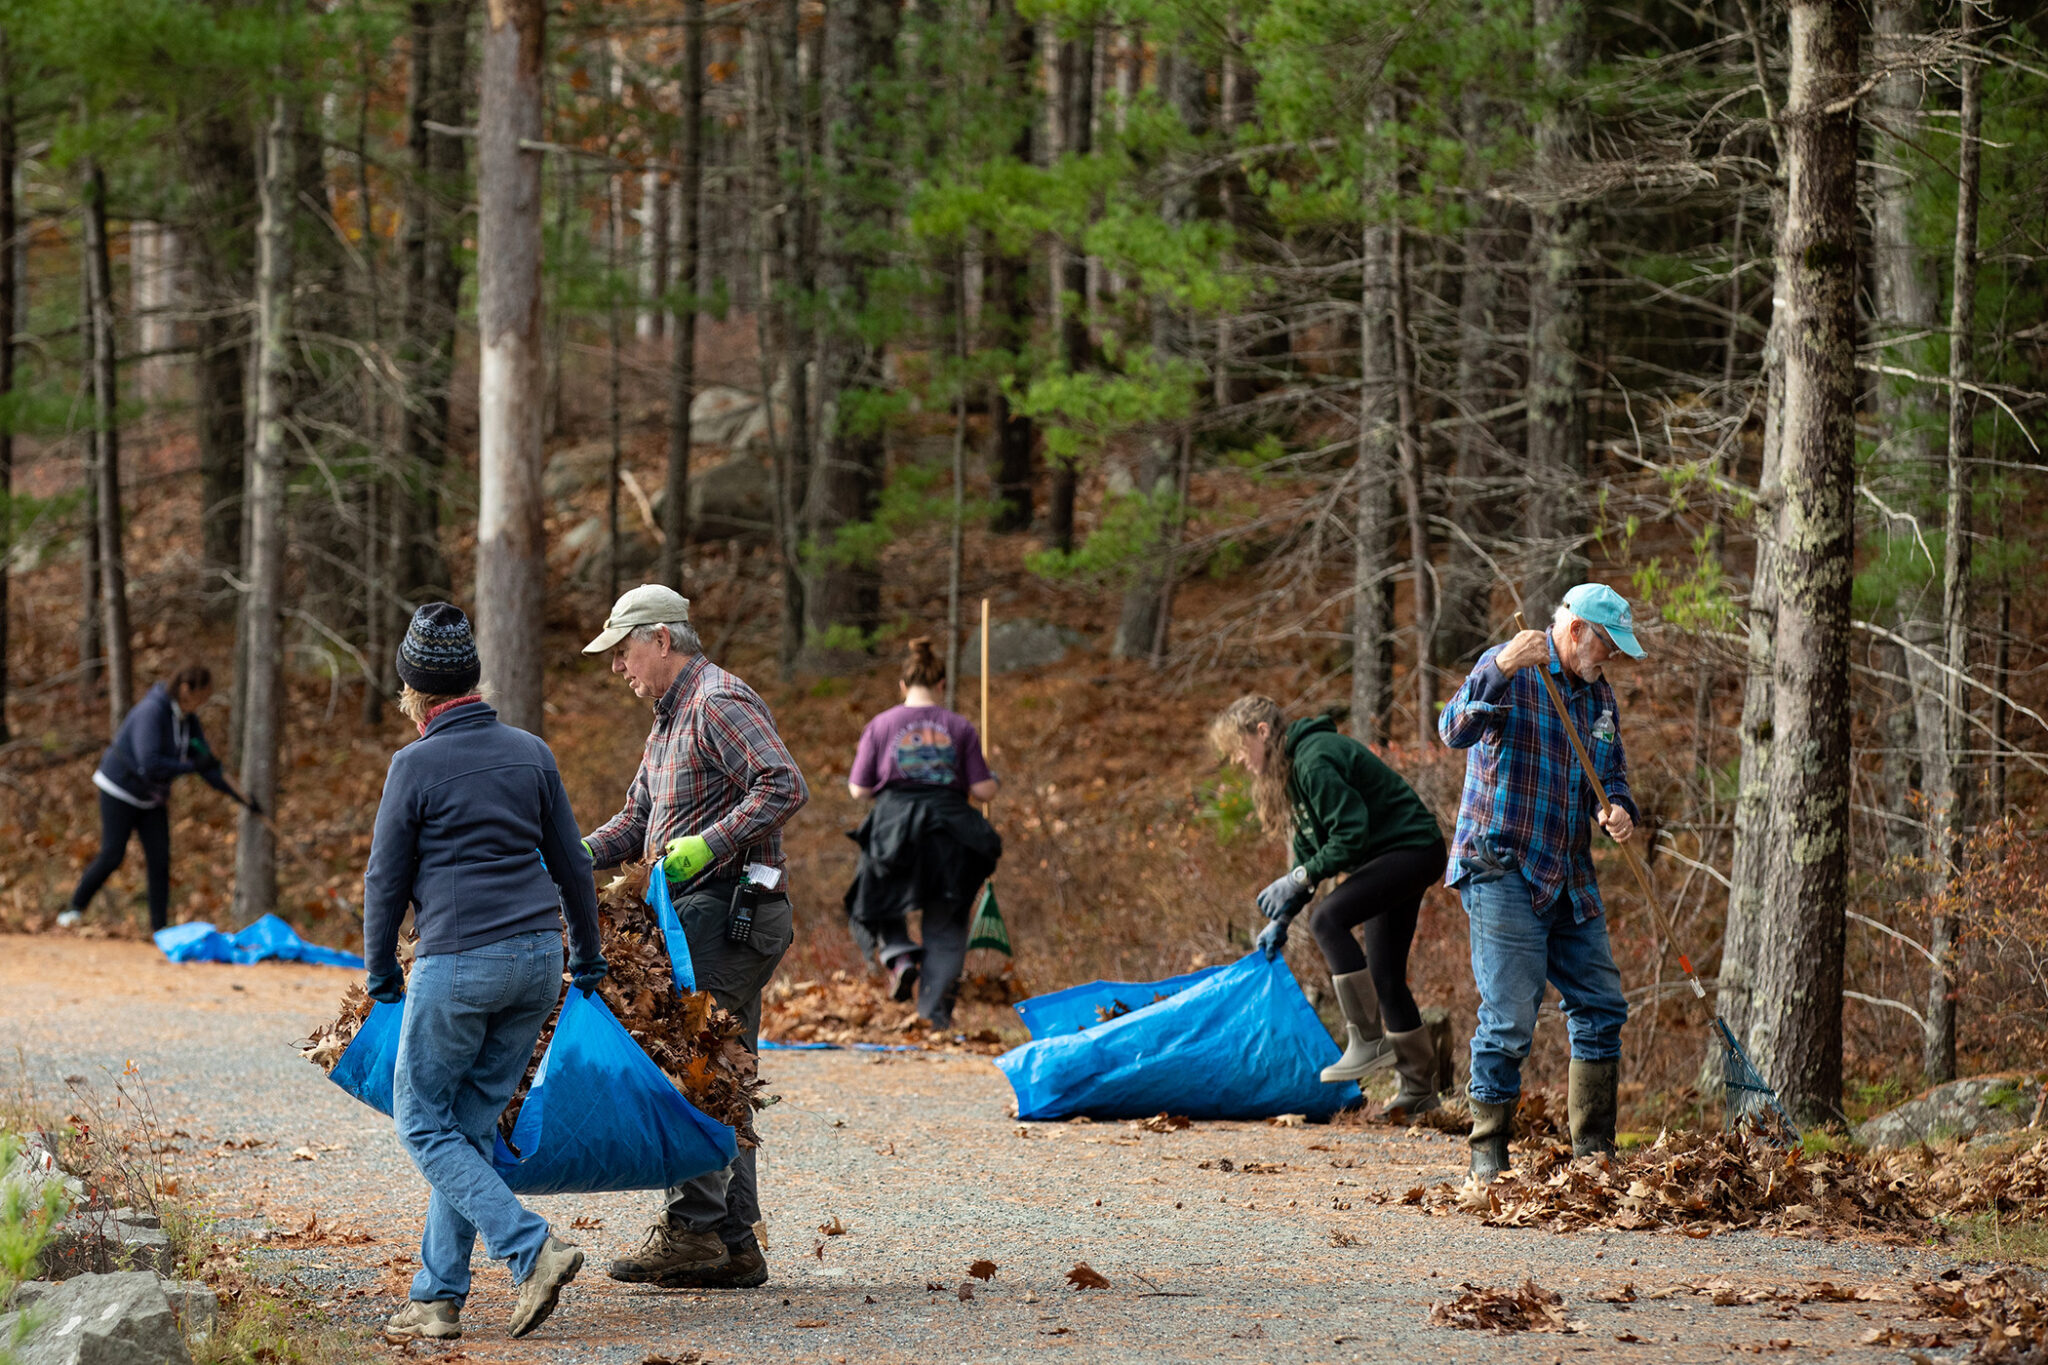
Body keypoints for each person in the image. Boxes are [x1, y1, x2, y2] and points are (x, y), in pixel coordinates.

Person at [362, 603, 607, 1343]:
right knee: (463, 1126)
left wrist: (380, 971)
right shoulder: (530, 752)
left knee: (420, 1120)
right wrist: (586, 955)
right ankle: (437, 1297)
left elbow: (385, 879)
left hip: (460, 962)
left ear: (416, 692)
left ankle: (531, 1248)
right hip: (538, 960)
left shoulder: (413, 765)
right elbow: (573, 864)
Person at [580, 584, 809, 1291]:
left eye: (623, 651)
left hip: (731, 908)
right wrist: (570, 852)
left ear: (659, 639)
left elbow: (783, 783)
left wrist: (709, 845)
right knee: (721, 1067)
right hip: (695, 914)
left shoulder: (717, 702)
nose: (618, 667)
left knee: (694, 1061)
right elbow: (635, 823)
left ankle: (695, 1231)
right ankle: (734, 1243)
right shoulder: (667, 721)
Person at [1438, 583, 1646, 1183]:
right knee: (1509, 1016)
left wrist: (1620, 810)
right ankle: (1488, 1155)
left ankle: (1594, 1157)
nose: (1611, 657)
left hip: (1569, 871)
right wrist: (1500, 667)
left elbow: (1612, 774)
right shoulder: (1511, 667)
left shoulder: (1598, 698)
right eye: (1608, 643)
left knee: (1603, 1005)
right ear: (1577, 630)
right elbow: (1453, 730)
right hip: (1500, 864)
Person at [1209, 696, 1448, 1118]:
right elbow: (1310, 857)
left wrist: (1295, 880)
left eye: (1239, 750)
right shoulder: (1292, 774)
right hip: (1396, 856)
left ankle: (1368, 1042)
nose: (1240, 762)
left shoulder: (1314, 760)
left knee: (1328, 919)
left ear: (1262, 732)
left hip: (1410, 850)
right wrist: (1282, 919)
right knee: (1386, 975)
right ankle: (1420, 1094)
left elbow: (1349, 838)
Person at [843, 637, 1002, 1030]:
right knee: (946, 926)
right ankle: (934, 1021)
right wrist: (991, 777)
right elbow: (982, 790)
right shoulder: (960, 727)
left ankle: (899, 957)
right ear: (942, 684)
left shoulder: (881, 725)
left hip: (895, 829)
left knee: (872, 901)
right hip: (951, 832)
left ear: (902, 685)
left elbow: (859, 789)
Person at [62, 663, 247, 931]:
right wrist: (193, 767)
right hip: (120, 789)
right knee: (113, 854)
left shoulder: (188, 720)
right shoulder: (152, 712)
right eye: (202, 696)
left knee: (159, 860)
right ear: (186, 689)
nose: (204, 703)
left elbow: (206, 764)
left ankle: (159, 930)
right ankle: (73, 909)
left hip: (152, 797)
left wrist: (239, 796)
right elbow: (149, 763)